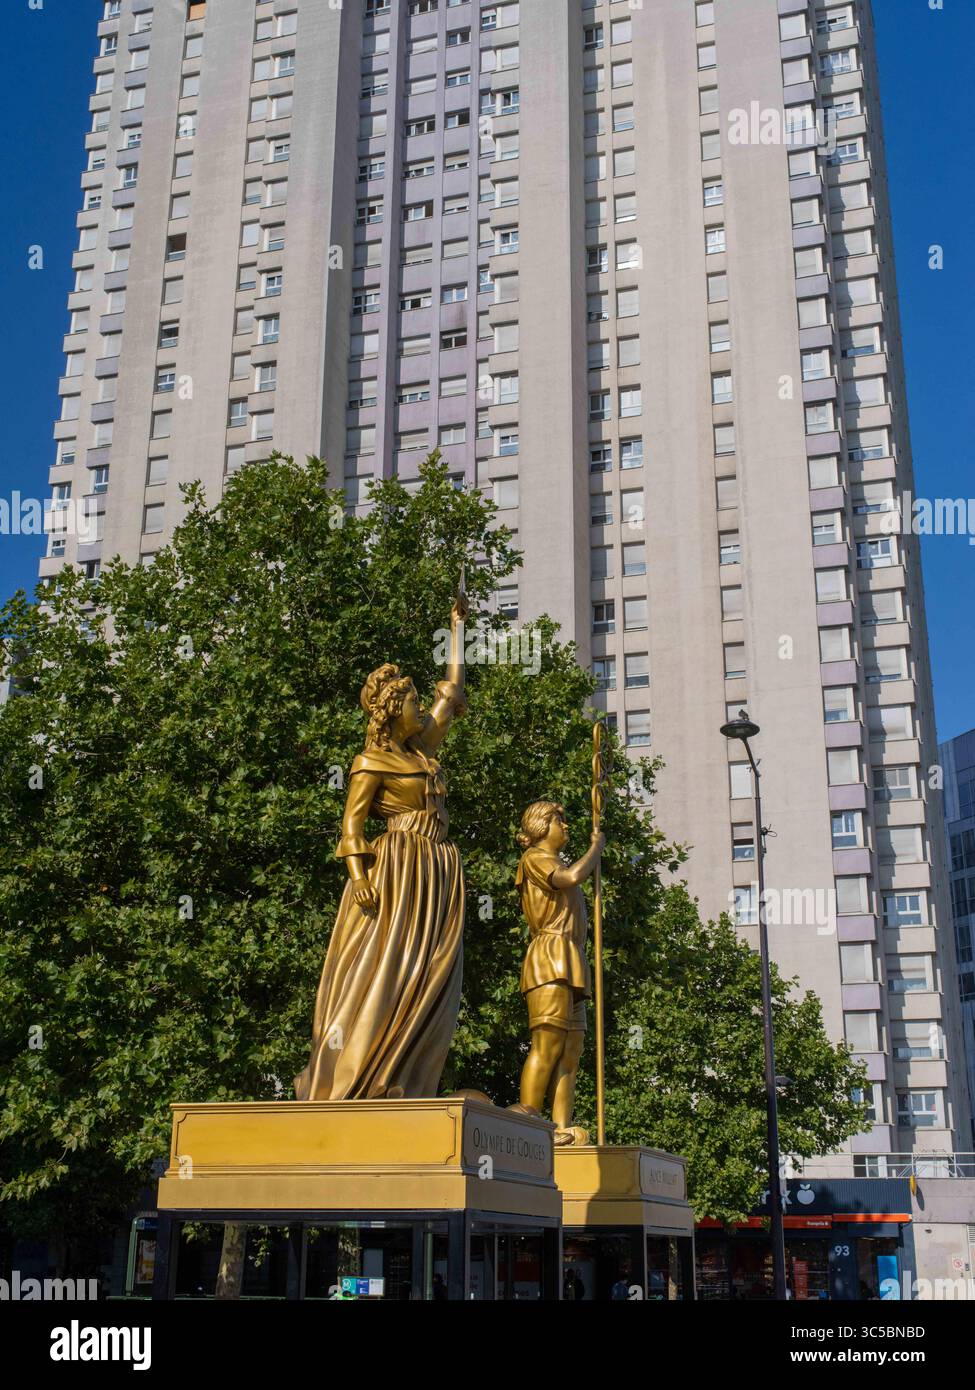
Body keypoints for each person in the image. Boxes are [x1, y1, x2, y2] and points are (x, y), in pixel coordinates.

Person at [294, 596, 468, 1101]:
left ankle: (408, 1077)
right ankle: (363, 1077)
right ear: (394, 711)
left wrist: (456, 630)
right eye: (413, 701)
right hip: (398, 870)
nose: (420, 706)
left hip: (437, 871)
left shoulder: (422, 749)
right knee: (389, 971)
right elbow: (350, 825)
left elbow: (453, 691)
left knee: (433, 980)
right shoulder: (370, 761)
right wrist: (359, 877)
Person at [515, 801, 604, 1144]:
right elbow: (569, 877)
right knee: (547, 1044)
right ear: (541, 826)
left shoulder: (554, 859)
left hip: (572, 957)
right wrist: (596, 848)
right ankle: (529, 1120)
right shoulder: (536, 858)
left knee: (572, 1047)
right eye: (559, 821)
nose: (566, 827)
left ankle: (561, 1126)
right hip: (549, 957)